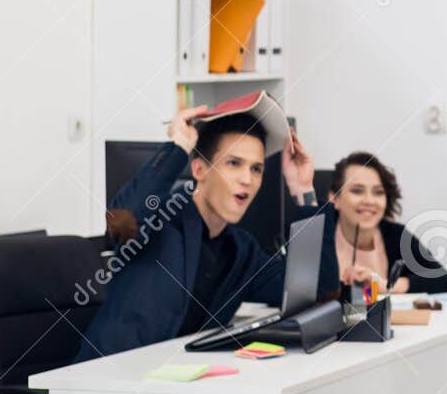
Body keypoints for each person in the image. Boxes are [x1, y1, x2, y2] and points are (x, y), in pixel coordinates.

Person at [75, 101, 318, 359]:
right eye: (234, 163)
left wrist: (303, 190)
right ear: (199, 170)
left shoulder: (243, 252)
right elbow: (121, 221)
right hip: (110, 375)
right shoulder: (159, 223)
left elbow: (310, 290)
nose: (247, 179)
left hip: (179, 377)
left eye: (256, 169)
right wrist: (178, 147)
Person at [316, 151, 447, 297]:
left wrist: (382, 285)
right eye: (357, 191)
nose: (369, 201)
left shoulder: (396, 235)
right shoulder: (319, 234)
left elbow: (443, 279)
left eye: (378, 192)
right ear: (334, 199)